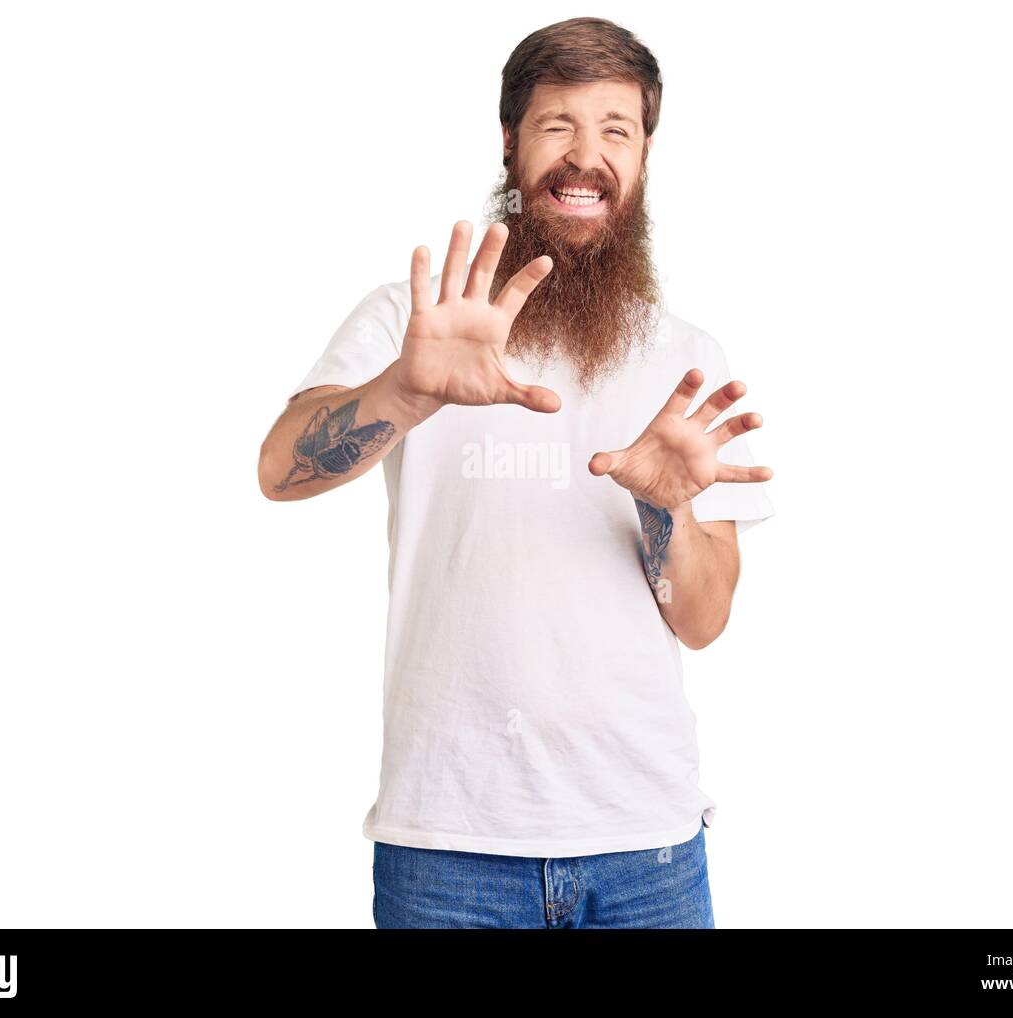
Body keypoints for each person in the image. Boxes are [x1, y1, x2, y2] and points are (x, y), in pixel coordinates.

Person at [257, 17, 775, 929]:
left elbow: (706, 620)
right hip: (448, 849)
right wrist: (404, 393)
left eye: (616, 128)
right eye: (557, 125)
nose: (587, 156)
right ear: (510, 142)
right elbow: (279, 469)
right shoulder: (415, 321)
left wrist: (666, 514)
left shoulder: (687, 360)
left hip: (645, 847)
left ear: (646, 154)